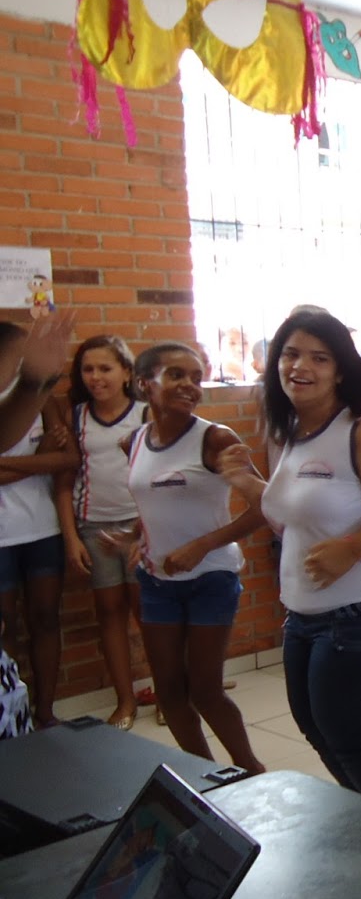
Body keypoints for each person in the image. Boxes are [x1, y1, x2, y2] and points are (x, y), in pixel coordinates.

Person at [223, 309, 361, 810]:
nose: (299, 366)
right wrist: (246, 482)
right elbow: (295, 515)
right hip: (305, 615)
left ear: (339, 369)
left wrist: (353, 548)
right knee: (319, 731)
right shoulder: (292, 431)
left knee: (354, 738)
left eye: (318, 357)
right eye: (289, 354)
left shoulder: (359, 432)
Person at [122, 343, 266, 773]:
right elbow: (150, 498)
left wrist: (202, 545)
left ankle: (249, 769)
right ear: (145, 383)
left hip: (211, 578)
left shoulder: (215, 438)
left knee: (205, 690)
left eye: (195, 378)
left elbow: (264, 506)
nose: (189, 386)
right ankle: (204, 775)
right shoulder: (133, 441)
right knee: (168, 691)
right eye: (176, 375)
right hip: (156, 582)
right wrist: (133, 535)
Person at [0, 311, 82, 739]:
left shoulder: (42, 401)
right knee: (5, 625)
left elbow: (68, 460)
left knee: (46, 617)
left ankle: (44, 712)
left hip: (40, 529)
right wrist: (38, 461)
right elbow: (49, 460)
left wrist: (14, 465)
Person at [56, 335, 143, 729]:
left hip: (141, 529)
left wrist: (150, 532)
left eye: (105, 368)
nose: (95, 377)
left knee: (149, 615)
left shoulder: (146, 414)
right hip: (94, 528)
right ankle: (125, 702)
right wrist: (71, 536)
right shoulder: (76, 417)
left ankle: (169, 694)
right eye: (87, 369)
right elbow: (63, 480)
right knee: (109, 613)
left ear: (126, 372)